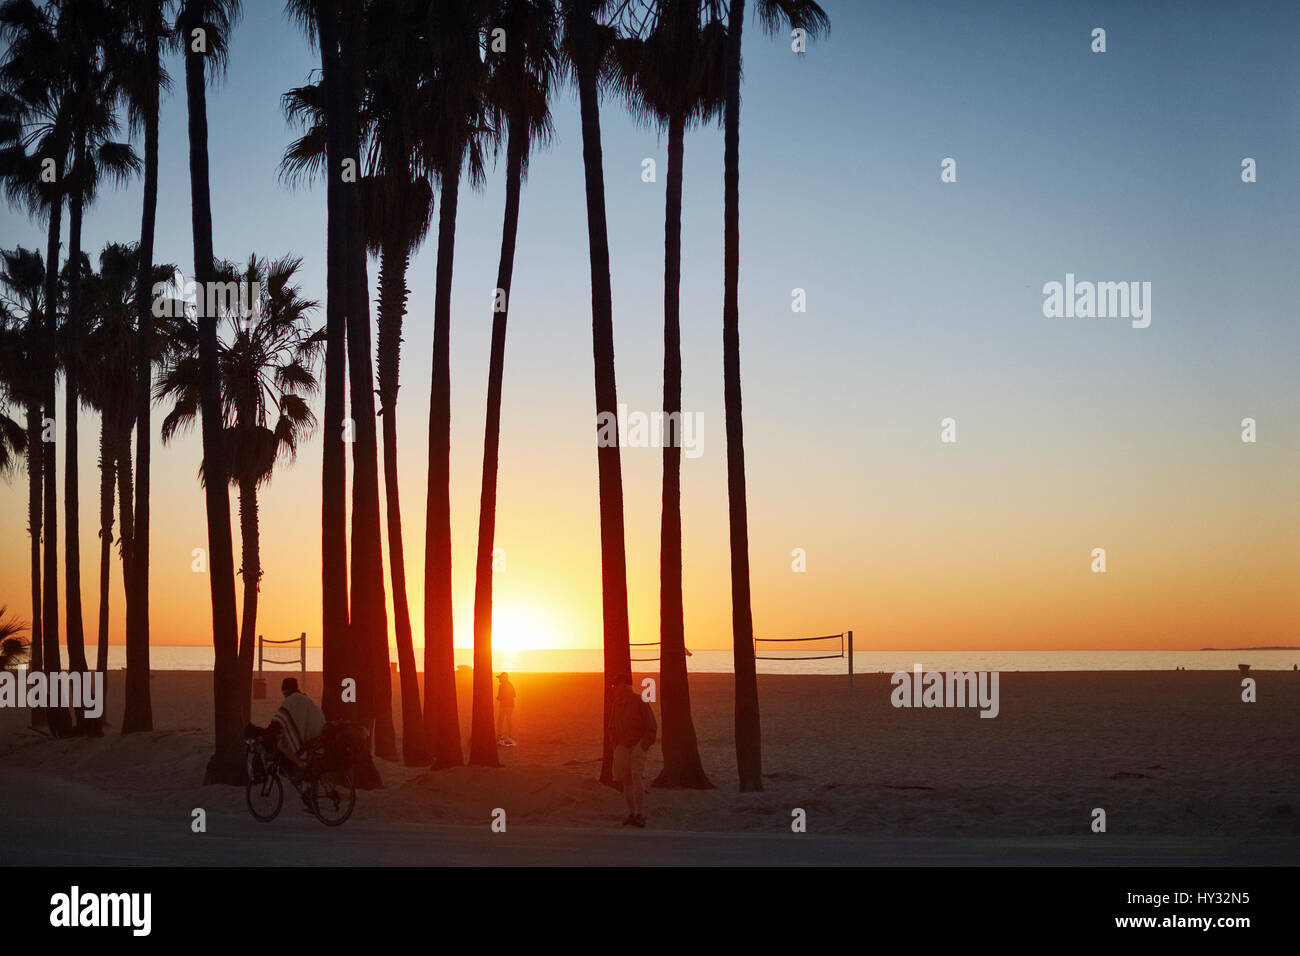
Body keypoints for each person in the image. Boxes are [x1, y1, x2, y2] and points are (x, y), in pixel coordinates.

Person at [607, 674, 656, 828]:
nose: (614, 690)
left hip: (638, 745)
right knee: (626, 780)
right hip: (622, 746)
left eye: (616, 686)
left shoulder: (640, 701)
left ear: (624, 685)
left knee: (636, 777)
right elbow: (611, 726)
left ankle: (640, 813)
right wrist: (616, 745)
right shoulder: (616, 704)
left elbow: (651, 726)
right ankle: (632, 813)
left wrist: (643, 745)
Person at [269, 677, 326, 775]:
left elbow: (278, 721)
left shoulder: (290, 700)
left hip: (309, 741)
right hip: (319, 738)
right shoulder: (307, 699)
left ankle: (301, 765)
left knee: (281, 744)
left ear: (285, 691)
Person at [496, 673, 516, 747]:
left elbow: (513, 694)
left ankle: (500, 734)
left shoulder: (502, 686)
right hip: (510, 705)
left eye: (500, 678)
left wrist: (500, 697)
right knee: (508, 719)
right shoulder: (510, 684)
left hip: (504, 705)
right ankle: (509, 734)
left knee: (501, 720)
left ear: (503, 678)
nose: (499, 679)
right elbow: (514, 694)